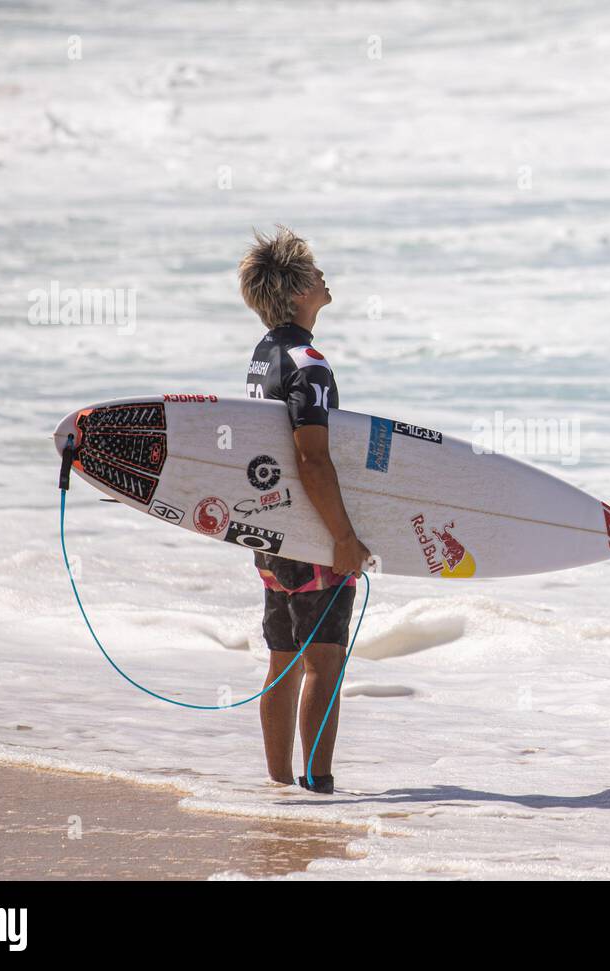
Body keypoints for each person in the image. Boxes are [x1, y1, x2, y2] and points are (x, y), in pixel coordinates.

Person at [238, 226, 371, 794]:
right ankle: (318, 786)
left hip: (270, 530)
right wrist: (343, 537)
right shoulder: (309, 362)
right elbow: (311, 457)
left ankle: (278, 786)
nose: (324, 278)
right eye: (314, 272)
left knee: (284, 657)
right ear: (297, 292)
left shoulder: (263, 356)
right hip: (310, 532)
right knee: (323, 662)